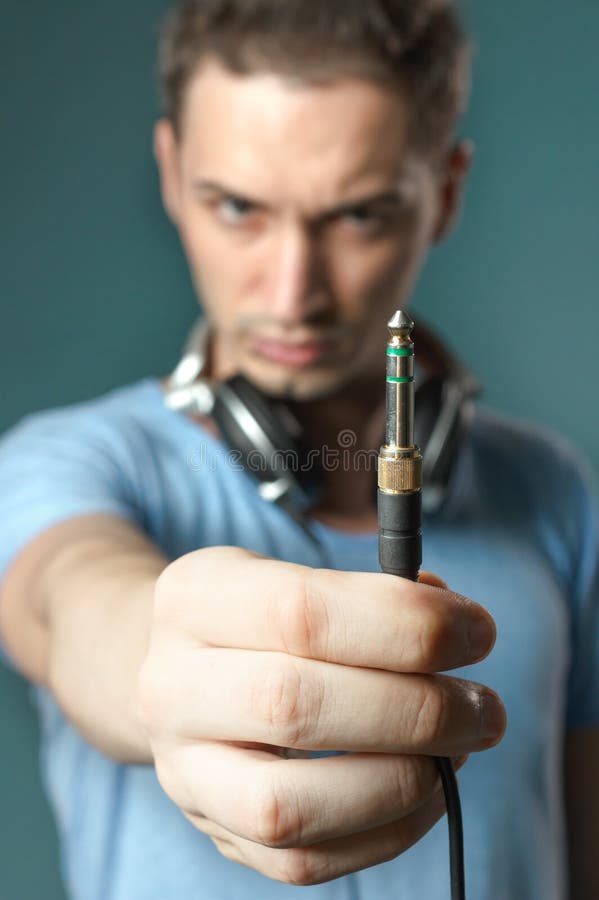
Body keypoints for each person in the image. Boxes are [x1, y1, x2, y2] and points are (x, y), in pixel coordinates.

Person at [0, 1, 597, 898]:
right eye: (237, 206)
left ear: (445, 192)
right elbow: (70, 601)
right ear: (170, 173)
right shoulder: (65, 465)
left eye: (359, 215)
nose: (293, 292)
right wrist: (155, 663)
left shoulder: (551, 491)